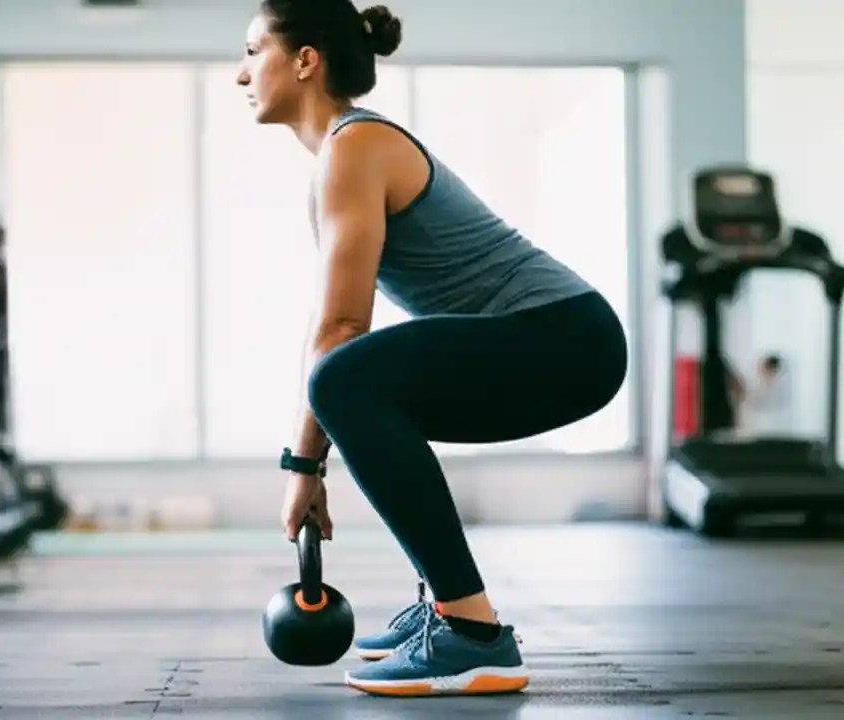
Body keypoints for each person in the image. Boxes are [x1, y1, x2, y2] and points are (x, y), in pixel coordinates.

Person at [237, 0, 628, 697]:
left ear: (304, 61)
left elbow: (339, 331)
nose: (241, 76)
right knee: (364, 389)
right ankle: (446, 611)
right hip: (558, 342)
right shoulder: (343, 153)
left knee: (347, 380)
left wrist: (304, 464)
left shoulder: (355, 147)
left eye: (251, 52)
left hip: (565, 338)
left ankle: (473, 635)